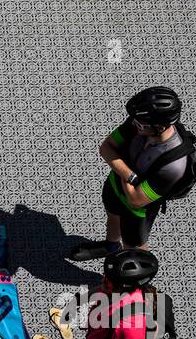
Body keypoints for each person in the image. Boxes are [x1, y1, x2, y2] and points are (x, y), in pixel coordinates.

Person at [70, 86, 189, 260]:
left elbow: (135, 201)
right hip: (115, 185)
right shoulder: (140, 123)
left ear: (161, 127)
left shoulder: (173, 165)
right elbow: (105, 148)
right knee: (112, 215)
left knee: (133, 245)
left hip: (139, 212)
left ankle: (136, 277)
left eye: (140, 124)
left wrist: (120, 165)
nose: (134, 124)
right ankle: (110, 246)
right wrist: (130, 176)